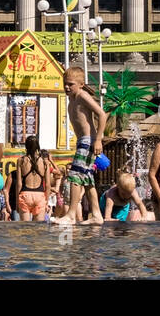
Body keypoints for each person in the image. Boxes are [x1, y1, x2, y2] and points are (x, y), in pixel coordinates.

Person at [54, 68, 107, 225]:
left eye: (70, 84)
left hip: (88, 140)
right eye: (65, 84)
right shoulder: (72, 100)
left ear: (81, 84)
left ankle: (71, 215)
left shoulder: (83, 96)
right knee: (87, 179)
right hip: (82, 141)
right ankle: (97, 214)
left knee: (75, 177)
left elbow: (102, 114)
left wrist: (98, 140)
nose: (66, 87)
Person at [14, 135, 52, 221]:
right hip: (40, 195)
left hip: (25, 195)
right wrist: (46, 202)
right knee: (38, 230)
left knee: (25, 228)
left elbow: (19, 184)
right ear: (38, 146)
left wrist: (17, 202)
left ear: (26, 146)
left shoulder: (21, 160)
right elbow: (48, 185)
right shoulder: (45, 162)